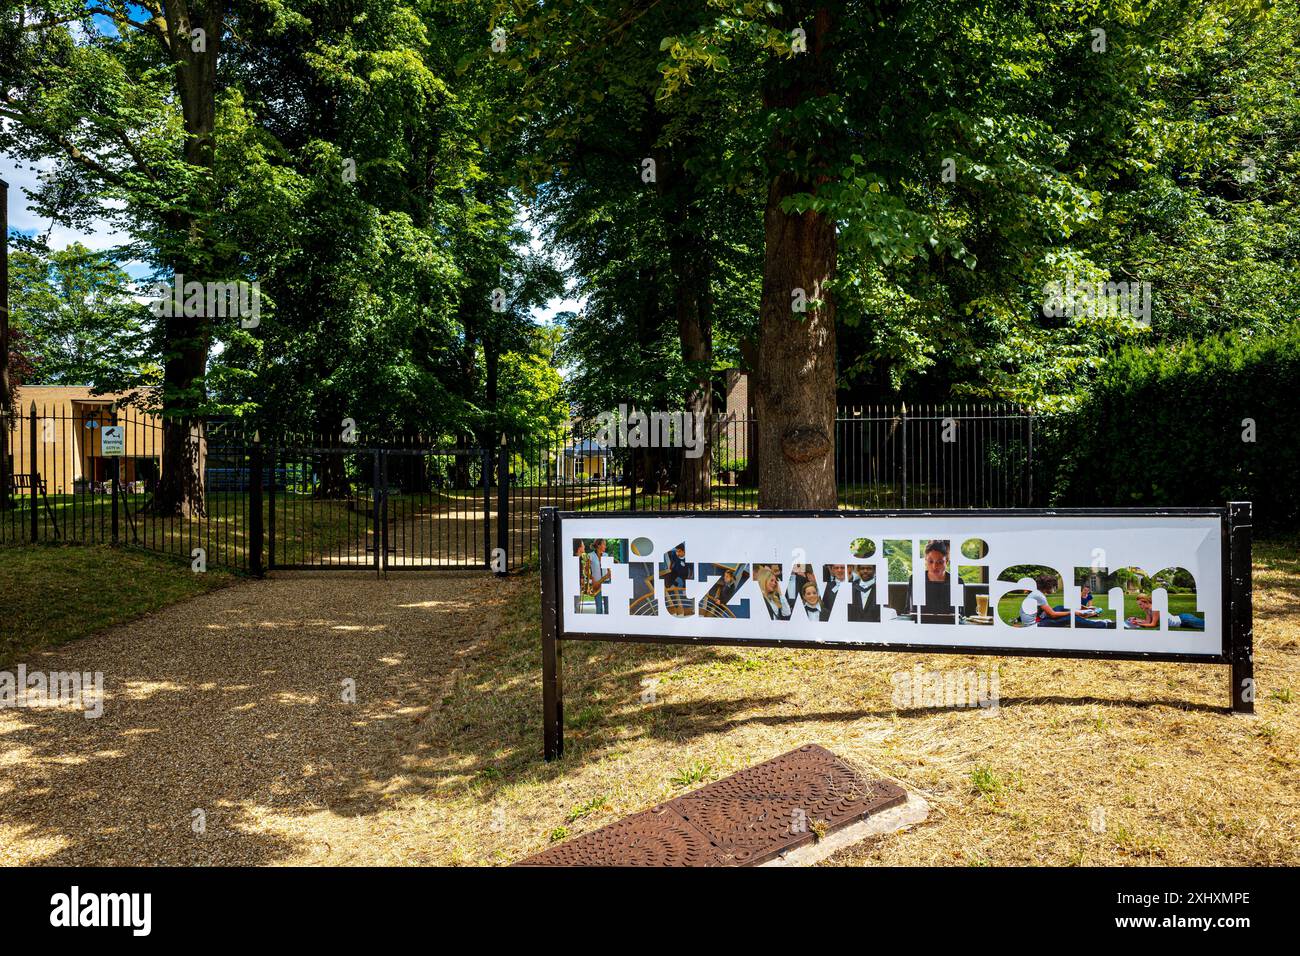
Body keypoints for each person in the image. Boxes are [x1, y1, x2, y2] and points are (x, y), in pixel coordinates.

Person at [919, 540, 957, 624]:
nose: (934, 566)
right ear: (925, 560)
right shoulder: (916, 579)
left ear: (947, 561)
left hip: (949, 627)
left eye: (940, 562)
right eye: (930, 561)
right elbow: (909, 610)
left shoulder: (957, 581)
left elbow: (961, 614)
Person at [1127, 593, 1205, 630]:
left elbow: (1153, 624)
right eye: (1139, 605)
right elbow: (1147, 622)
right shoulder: (1147, 610)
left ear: (1146, 602)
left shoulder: (1154, 608)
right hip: (1182, 620)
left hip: (1184, 620)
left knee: (1207, 625)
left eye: (1140, 604)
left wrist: (1138, 624)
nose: (1139, 606)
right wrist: (1136, 619)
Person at [587, 538, 612, 613]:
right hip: (597, 584)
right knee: (599, 608)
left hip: (607, 582)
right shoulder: (590, 555)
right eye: (604, 544)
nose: (605, 546)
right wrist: (592, 579)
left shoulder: (606, 555)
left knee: (608, 608)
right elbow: (586, 570)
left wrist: (610, 573)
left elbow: (609, 569)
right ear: (598, 545)